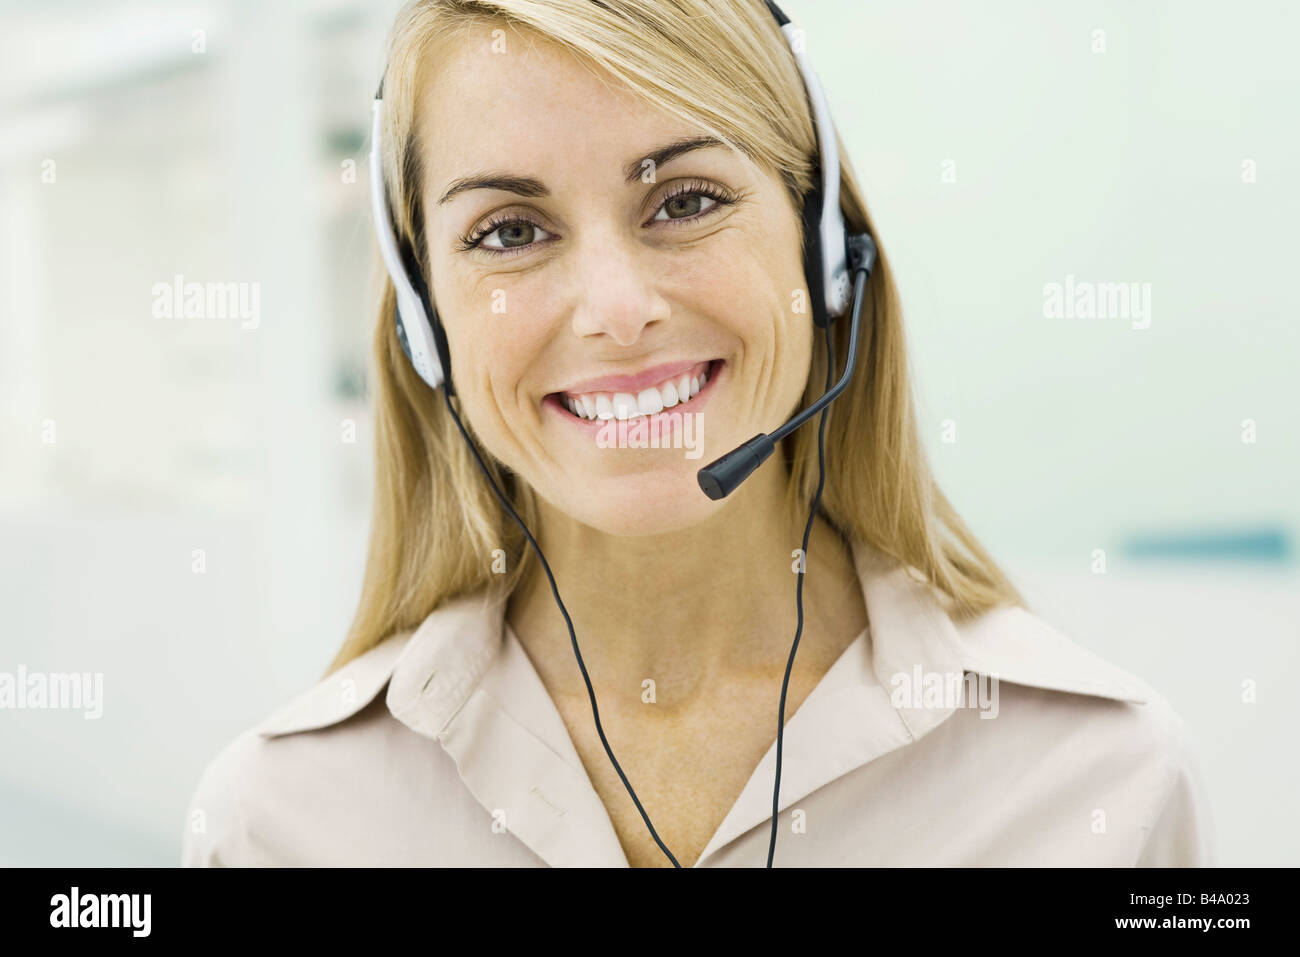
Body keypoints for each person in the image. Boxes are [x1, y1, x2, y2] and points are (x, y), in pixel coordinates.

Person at [182, 0, 1215, 868]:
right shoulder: (279, 822)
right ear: (425, 320)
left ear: (822, 258)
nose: (615, 308)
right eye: (509, 231)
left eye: (684, 201)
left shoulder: (1100, 781)